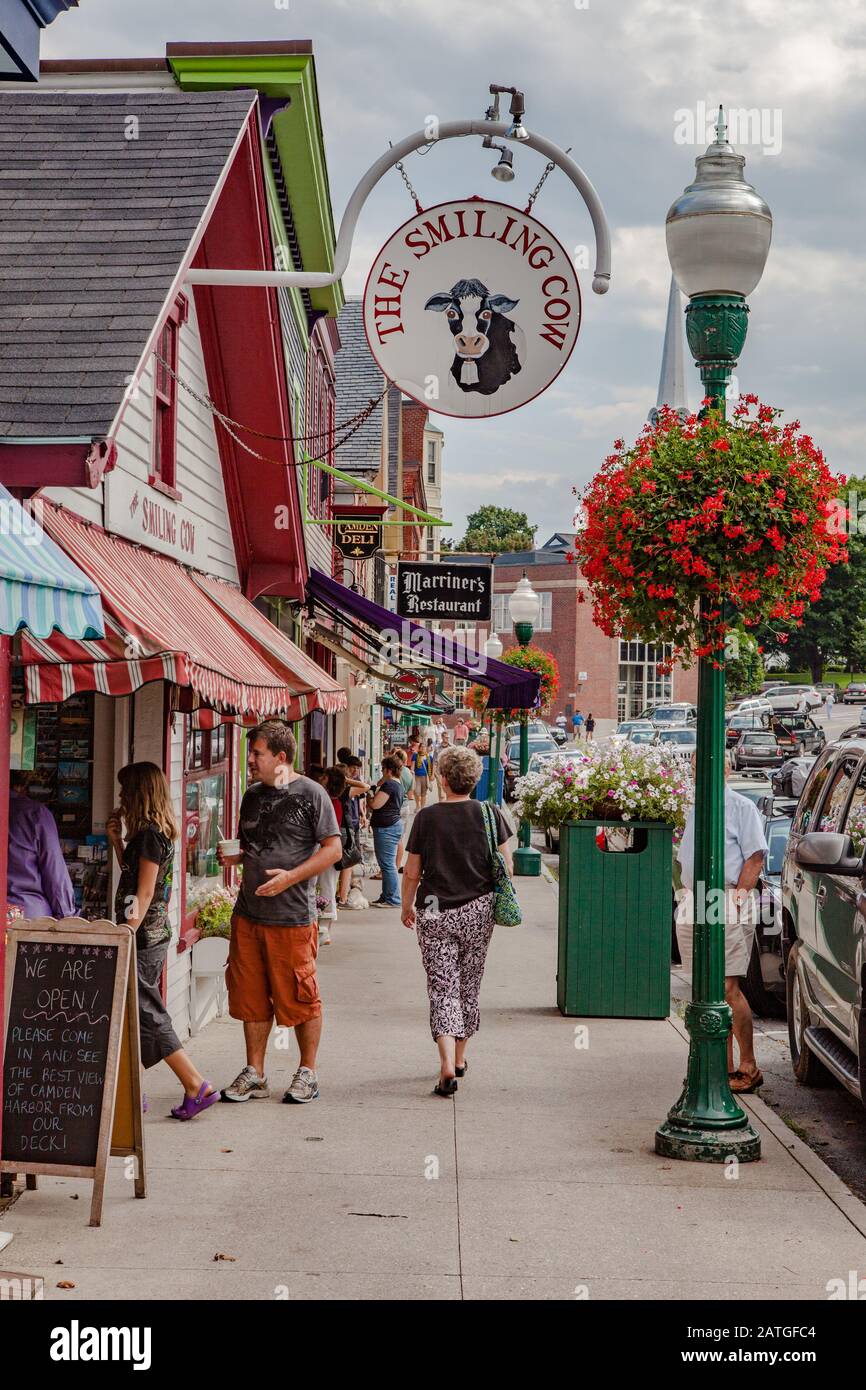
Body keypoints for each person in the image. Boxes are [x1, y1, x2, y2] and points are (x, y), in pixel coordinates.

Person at [218, 722, 341, 1105]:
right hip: (249, 913)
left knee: (301, 996)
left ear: (281, 758)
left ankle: (307, 1072)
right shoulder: (252, 796)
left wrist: (291, 877)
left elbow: (333, 850)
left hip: (292, 917)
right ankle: (255, 1072)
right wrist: (237, 857)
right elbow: (257, 845)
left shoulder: (312, 795)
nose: (250, 760)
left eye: (257, 753)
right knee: (250, 996)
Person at [106, 762, 218, 1121]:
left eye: (126, 791)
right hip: (145, 933)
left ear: (140, 794)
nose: (121, 797)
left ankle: (196, 1084)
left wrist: (126, 931)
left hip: (142, 936)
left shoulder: (151, 835)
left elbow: (145, 889)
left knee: (148, 1013)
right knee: (132, 1015)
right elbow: (135, 875)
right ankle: (129, 1093)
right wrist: (117, 844)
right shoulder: (148, 835)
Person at [401, 745, 513, 1096]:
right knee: (468, 983)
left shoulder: (427, 817)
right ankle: (461, 1059)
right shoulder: (490, 814)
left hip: (435, 906)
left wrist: (407, 906)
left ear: (443, 778)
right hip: (478, 906)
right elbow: (507, 867)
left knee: (442, 985)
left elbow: (412, 871)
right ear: (474, 779)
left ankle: (446, 1062)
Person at [676, 752, 767, 1094]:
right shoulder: (694, 807)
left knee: (727, 988)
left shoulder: (741, 807)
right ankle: (721, 1067)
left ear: (726, 769)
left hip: (725, 899)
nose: (701, 773)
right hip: (694, 899)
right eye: (697, 767)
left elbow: (755, 857)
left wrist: (738, 898)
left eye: (710, 766)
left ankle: (748, 1065)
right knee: (704, 989)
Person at [7, 772, 76, 920]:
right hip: (26, 919)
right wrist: (67, 917)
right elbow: (55, 872)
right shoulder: (35, 813)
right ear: (21, 784)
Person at [366, 755, 404, 907]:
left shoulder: (390, 786)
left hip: (386, 827)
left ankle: (393, 898)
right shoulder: (397, 784)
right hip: (391, 825)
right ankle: (386, 895)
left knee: (387, 865)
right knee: (386, 864)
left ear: (389, 770)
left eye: (382, 769)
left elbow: (375, 804)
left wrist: (370, 793)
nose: (381, 772)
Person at [315, 766, 347, 945]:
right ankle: (323, 928)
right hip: (328, 851)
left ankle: (324, 931)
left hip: (326, 851)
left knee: (326, 887)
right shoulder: (335, 801)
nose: (320, 779)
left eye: (323, 776)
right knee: (326, 886)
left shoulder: (329, 802)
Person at [335, 753, 369, 907]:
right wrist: (346, 780)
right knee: (347, 864)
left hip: (338, 826)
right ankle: (342, 897)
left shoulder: (329, 789)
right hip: (345, 827)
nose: (354, 772)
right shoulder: (345, 790)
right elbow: (365, 787)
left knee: (336, 864)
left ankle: (337, 894)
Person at [393, 748, 415, 873]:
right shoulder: (408, 773)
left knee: (391, 838)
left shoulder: (396, 772)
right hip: (405, 806)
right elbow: (411, 794)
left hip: (395, 806)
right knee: (400, 838)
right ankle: (397, 864)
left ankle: (390, 867)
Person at [410, 738, 435, 811]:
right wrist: (411, 771)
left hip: (425, 777)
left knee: (423, 793)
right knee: (416, 792)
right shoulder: (415, 755)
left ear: (426, 748)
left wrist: (432, 775)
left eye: (424, 747)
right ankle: (417, 805)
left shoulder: (429, 757)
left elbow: (432, 767)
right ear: (419, 748)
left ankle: (422, 808)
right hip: (417, 776)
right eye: (421, 747)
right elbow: (413, 765)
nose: (423, 748)